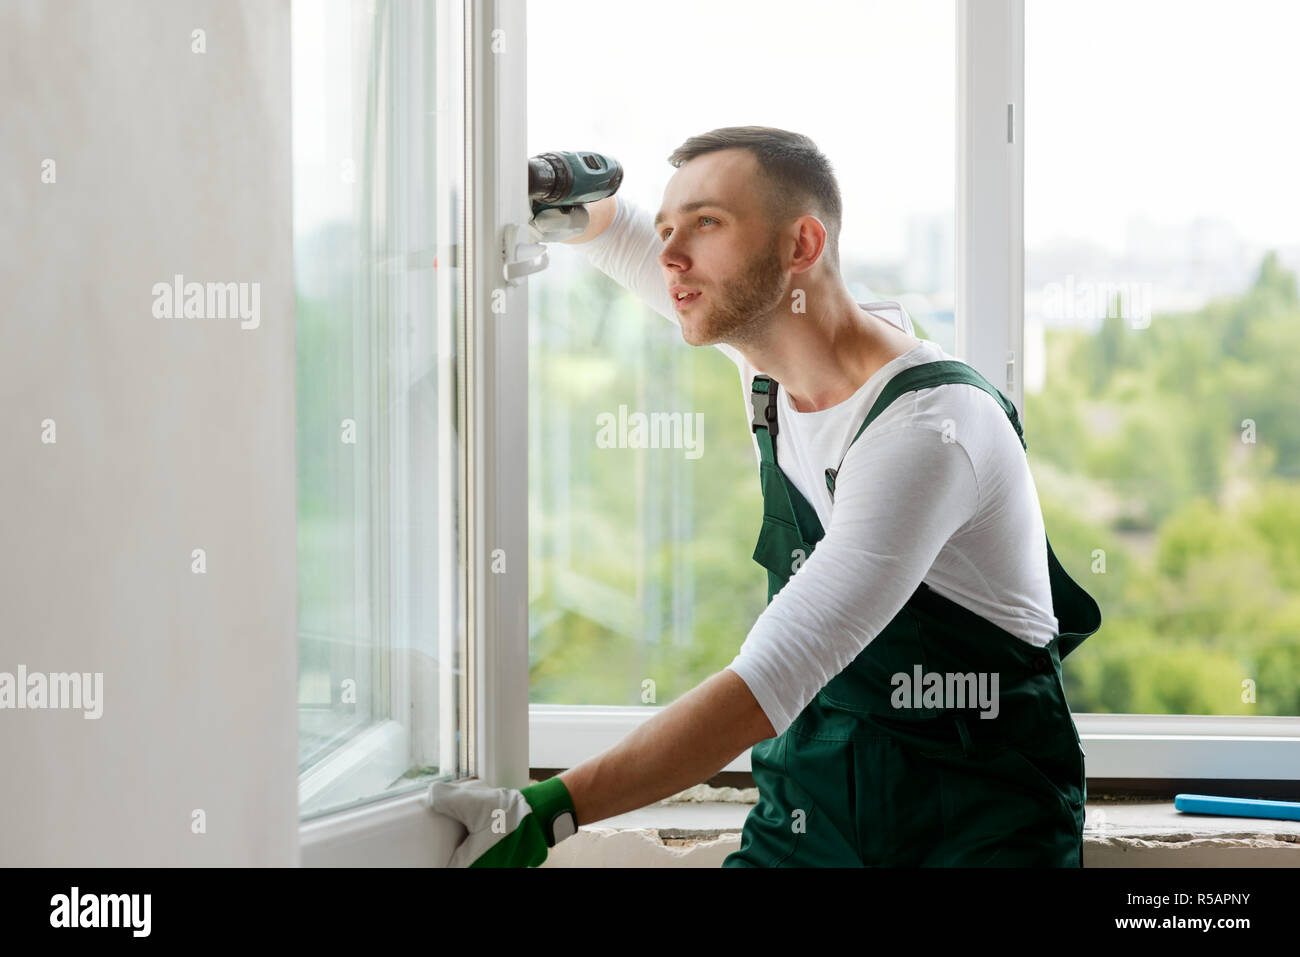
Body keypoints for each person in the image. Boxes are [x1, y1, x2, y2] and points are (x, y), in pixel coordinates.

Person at [426, 126, 1101, 868]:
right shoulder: (776, 367)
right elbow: (618, 232)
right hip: (811, 814)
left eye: (706, 224)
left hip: (973, 830)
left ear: (801, 246)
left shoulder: (931, 429)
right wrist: (528, 197)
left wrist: (549, 812)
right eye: (668, 230)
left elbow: (768, 679)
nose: (673, 255)